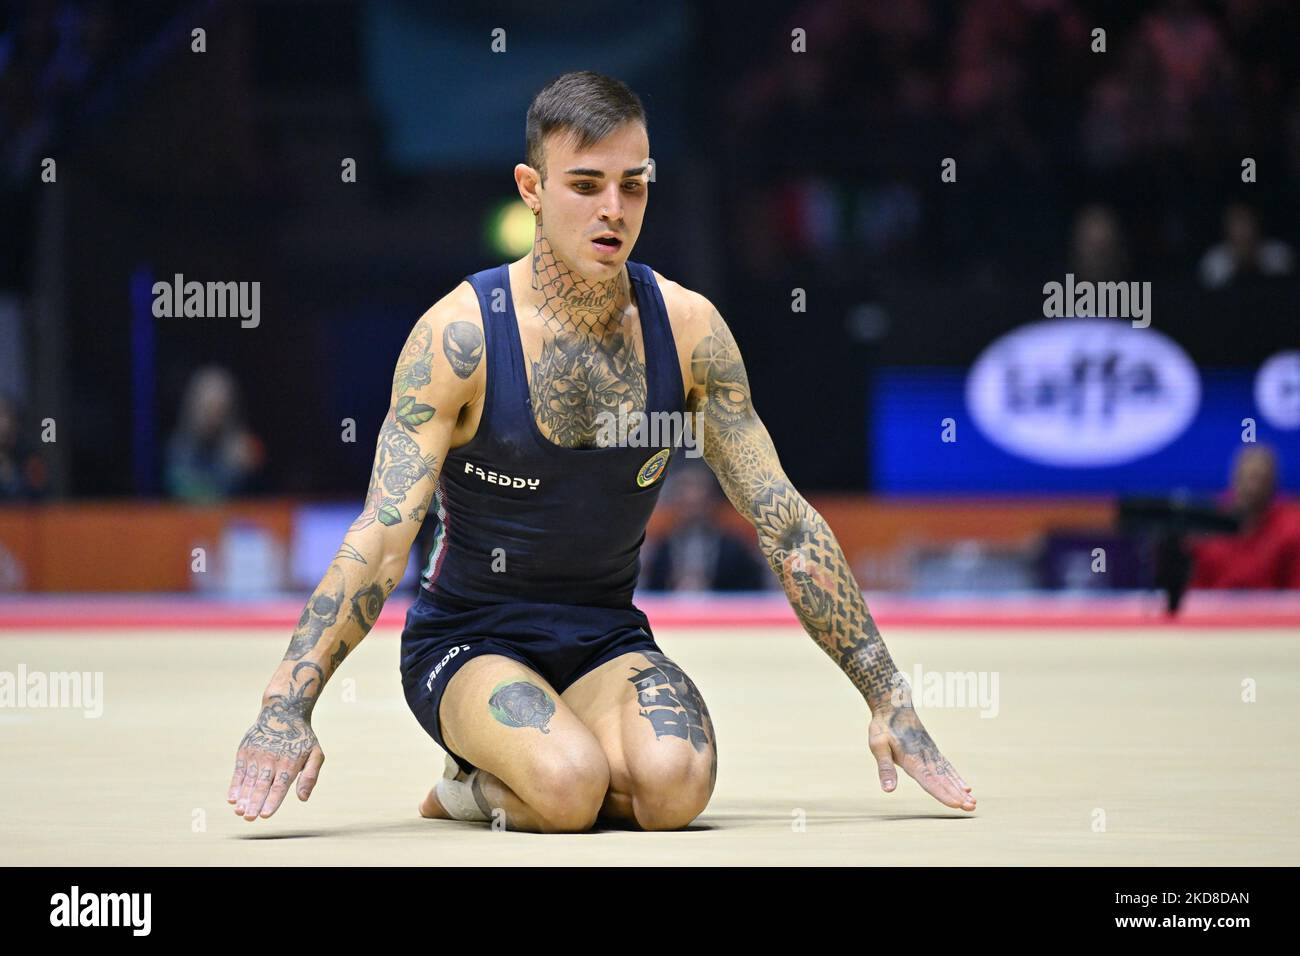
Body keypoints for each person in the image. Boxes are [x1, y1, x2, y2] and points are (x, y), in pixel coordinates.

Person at [227, 71, 975, 832]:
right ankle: (463, 785)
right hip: (467, 643)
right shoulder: (459, 338)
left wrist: (889, 696)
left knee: (674, 789)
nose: (613, 211)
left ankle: (538, 766)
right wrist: (287, 703)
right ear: (531, 186)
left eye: (634, 186)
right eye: (585, 185)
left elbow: (784, 526)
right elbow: (383, 538)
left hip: (603, 638)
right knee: (568, 788)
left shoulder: (689, 333)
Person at [642, 459, 767, 592]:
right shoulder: (662, 546)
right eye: (686, 503)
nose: (692, 507)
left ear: (711, 500)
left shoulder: (733, 548)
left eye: (698, 501)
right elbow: (651, 590)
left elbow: (752, 592)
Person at [1190, 445, 1300, 589]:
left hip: (1273, 610)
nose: (1252, 487)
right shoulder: (1210, 531)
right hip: (1217, 609)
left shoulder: (1292, 530)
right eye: (1247, 477)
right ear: (1234, 479)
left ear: (1273, 482)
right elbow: (1196, 596)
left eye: (1260, 479)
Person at [164, 366, 262, 502]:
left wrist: (244, 470)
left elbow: (257, 502)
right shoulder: (178, 448)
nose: (213, 415)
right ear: (194, 405)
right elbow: (181, 494)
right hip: (189, 521)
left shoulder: (245, 448)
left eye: (219, 407)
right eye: (208, 406)